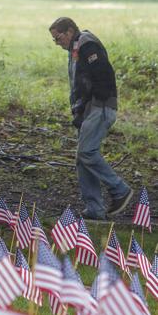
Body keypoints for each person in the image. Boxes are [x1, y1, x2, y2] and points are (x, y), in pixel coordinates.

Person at [49, 17, 132, 219]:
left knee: (87, 152)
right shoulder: (75, 48)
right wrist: (79, 112)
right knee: (81, 158)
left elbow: (103, 75)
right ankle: (95, 208)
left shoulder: (87, 43)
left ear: (69, 31)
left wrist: (96, 105)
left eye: (58, 38)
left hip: (100, 106)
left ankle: (120, 190)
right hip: (87, 110)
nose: (57, 44)